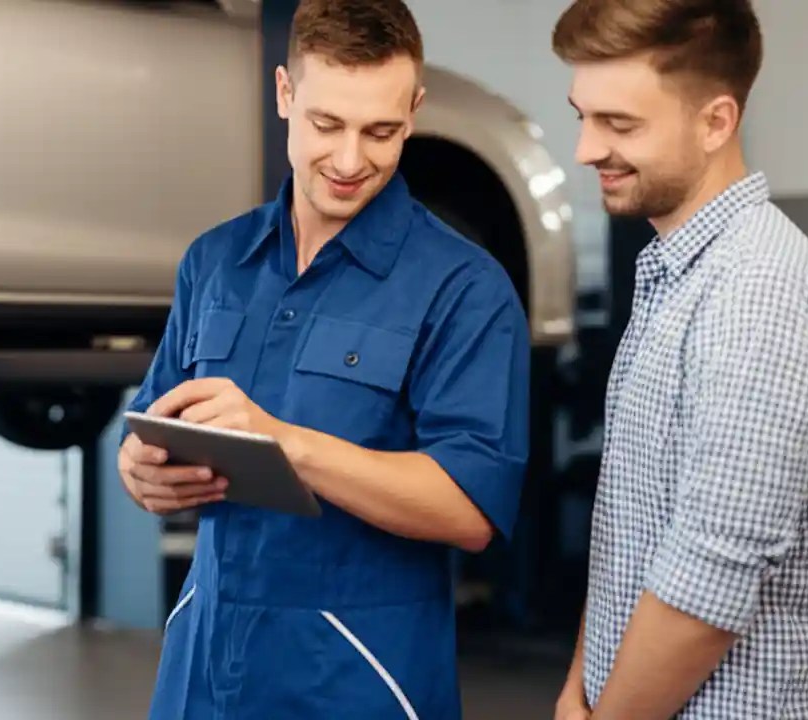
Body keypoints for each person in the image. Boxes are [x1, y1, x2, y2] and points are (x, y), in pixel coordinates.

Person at [116, 1, 530, 717]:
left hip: (358, 679)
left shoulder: (464, 289)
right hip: (203, 669)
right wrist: (141, 472)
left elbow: (470, 508)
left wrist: (286, 444)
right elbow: (152, 429)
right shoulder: (215, 263)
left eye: (382, 131)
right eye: (326, 124)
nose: (349, 160)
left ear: (415, 109)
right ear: (284, 94)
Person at [547, 1, 808, 719]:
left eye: (620, 124)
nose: (586, 149)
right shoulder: (680, 273)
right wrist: (581, 686)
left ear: (717, 122)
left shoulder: (757, 296)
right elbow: (631, 537)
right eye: (584, 115)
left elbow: (705, 586)